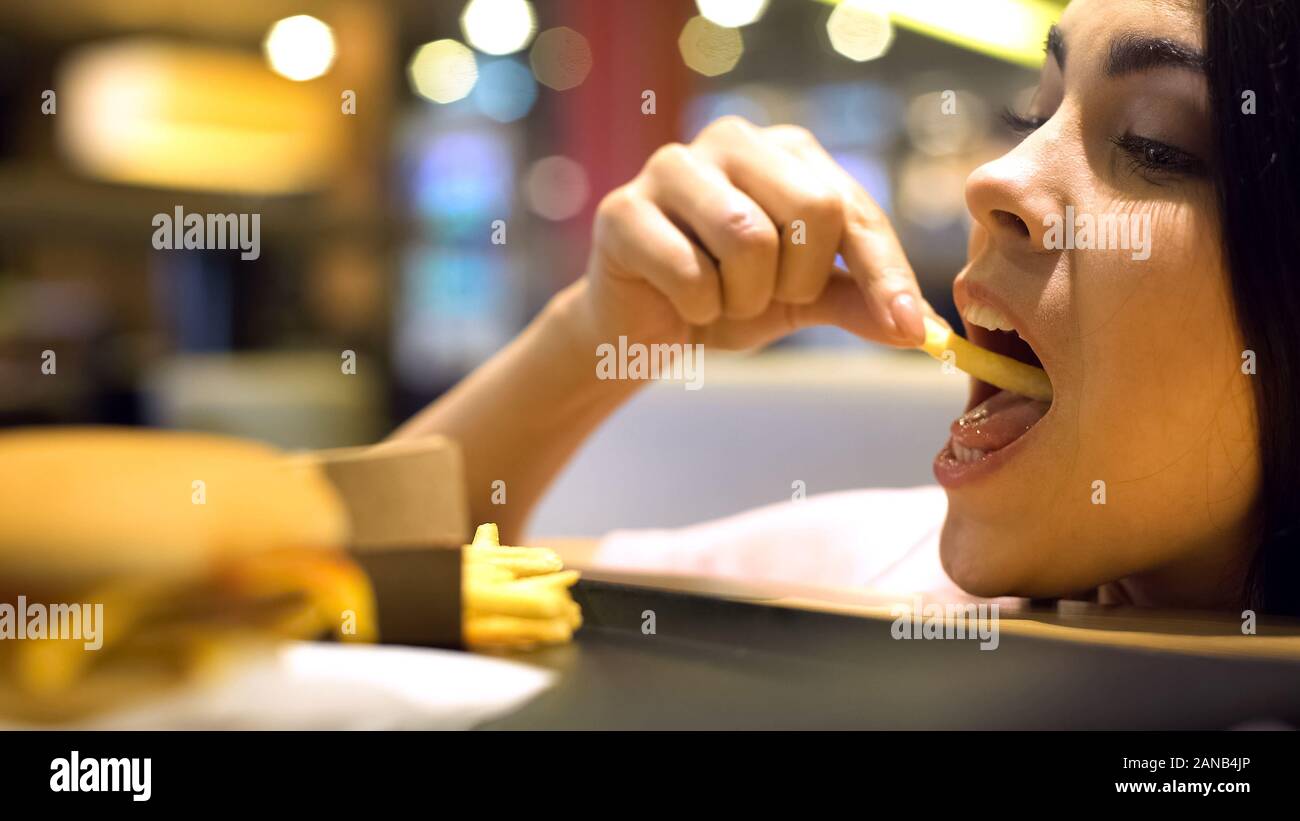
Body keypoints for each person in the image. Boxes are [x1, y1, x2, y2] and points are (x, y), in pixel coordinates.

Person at [394, 0, 1300, 616]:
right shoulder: (861, 577)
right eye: (1036, 114)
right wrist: (593, 336)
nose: (994, 175)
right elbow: (332, 599)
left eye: (1155, 142)